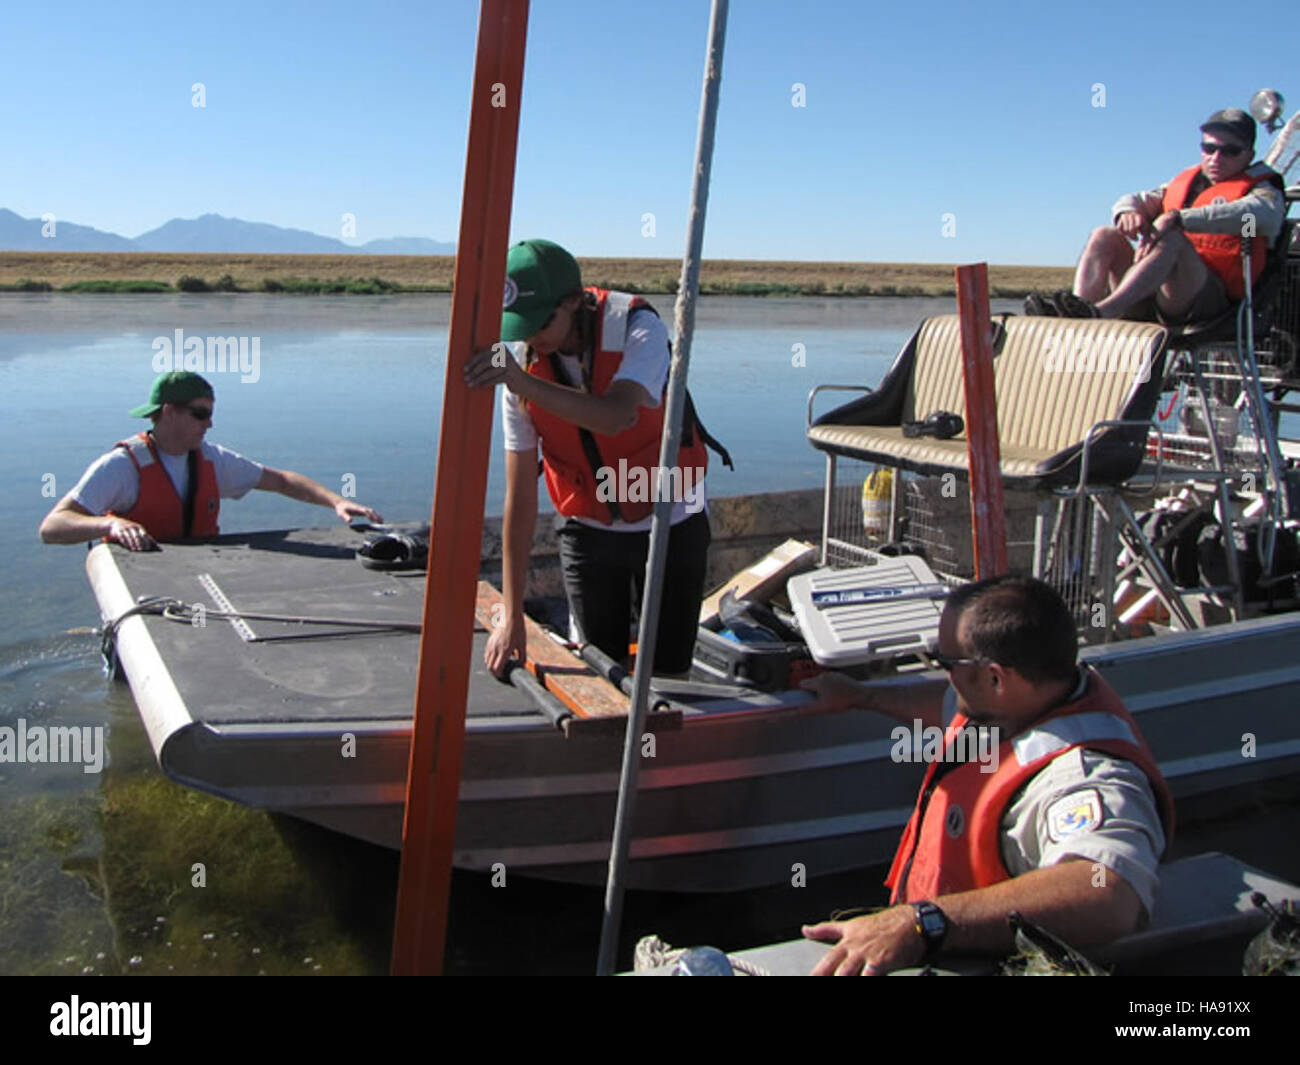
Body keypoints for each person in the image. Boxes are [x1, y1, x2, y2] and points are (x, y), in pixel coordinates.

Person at [798, 575, 1174, 976]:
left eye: (947, 663)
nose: (944, 676)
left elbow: (1107, 892)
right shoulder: (1027, 696)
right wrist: (862, 696)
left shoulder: (1084, 777)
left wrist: (925, 923)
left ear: (995, 678)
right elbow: (948, 707)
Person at [464, 239, 728, 677]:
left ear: (573, 301)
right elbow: (520, 499)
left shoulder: (640, 329)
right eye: (519, 326)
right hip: (588, 531)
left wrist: (521, 384)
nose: (530, 338)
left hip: (670, 522)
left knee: (665, 678)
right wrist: (510, 614)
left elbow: (618, 415)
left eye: (540, 322)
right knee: (600, 671)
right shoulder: (521, 368)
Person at [40, 370, 382, 551]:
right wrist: (109, 524)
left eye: (210, 414)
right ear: (169, 412)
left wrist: (336, 501)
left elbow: (280, 481)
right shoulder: (121, 466)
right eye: (200, 414)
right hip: (139, 583)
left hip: (197, 577)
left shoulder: (212, 460)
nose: (209, 424)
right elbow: (52, 527)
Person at [1026, 108, 1285, 324]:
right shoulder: (1184, 182)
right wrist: (1127, 211)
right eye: (1209, 148)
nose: (1216, 157)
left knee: (1173, 240)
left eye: (1230, 151)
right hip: (1150, 294)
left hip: (1208, 305)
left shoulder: (1263, 191)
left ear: (1249, 155)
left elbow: (1259, 215)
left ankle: (1100, 313)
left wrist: (1178, 218)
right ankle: (1076, 315)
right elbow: (1136, 199)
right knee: (1103, 235)